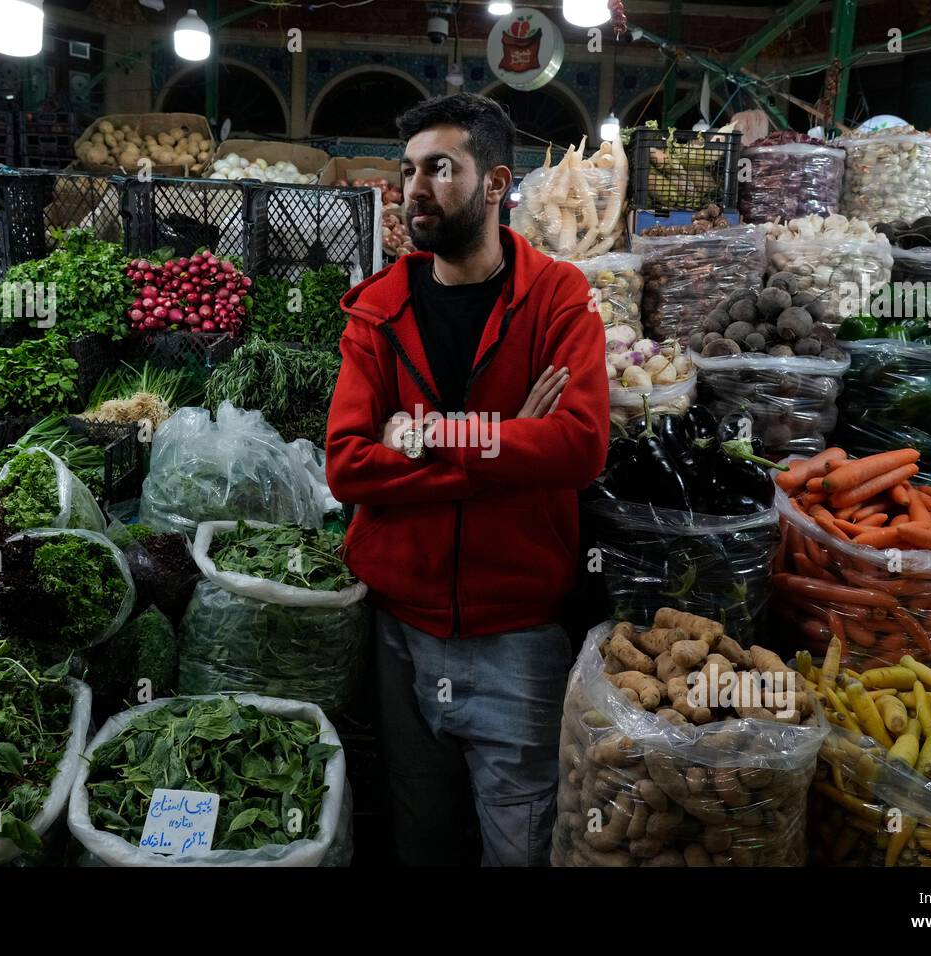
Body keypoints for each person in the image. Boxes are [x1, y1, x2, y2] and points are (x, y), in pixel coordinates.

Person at [325, 93, 609, 866]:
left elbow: (580, 447)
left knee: (518, 842)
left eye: (441, 168)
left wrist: (434, 436)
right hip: (400, 628)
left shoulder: (558, 299)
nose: (417, 188)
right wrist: (508, 443)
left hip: (515, 632)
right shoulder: (377, 313)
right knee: (420, 834)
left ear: (495, 184)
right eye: (410, 170)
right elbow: (348, 464)